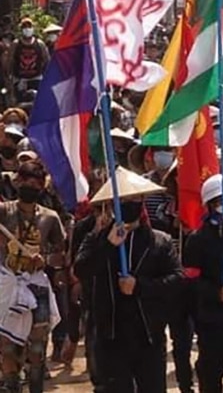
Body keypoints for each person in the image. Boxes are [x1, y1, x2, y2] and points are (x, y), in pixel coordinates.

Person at [74, 167, 184, 393]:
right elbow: (81, 269)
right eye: (125, 199)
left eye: (135, 199)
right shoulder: (96, 238)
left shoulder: (159, 241)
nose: (130, 204)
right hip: (111, 336)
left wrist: (140, 286)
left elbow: (176, 279)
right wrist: (107, 245)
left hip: (148, 335)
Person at [0, 161, 65, 393]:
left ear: (41, 186)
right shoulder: (3, 212)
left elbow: (61, 254)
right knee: (7, 349)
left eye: (35, 182)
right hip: (6, 285)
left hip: (37, 286)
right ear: (17, 182)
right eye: (26, 181)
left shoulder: (51, 217)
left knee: (37, 350)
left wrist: (45, 260)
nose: (30, 186)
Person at [182, 175, 223, 393]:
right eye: (219, 200)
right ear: (209, 205)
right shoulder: (197, 240)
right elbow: (190, 282)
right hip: (211, 321)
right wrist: (216, 293)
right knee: (211, 373)